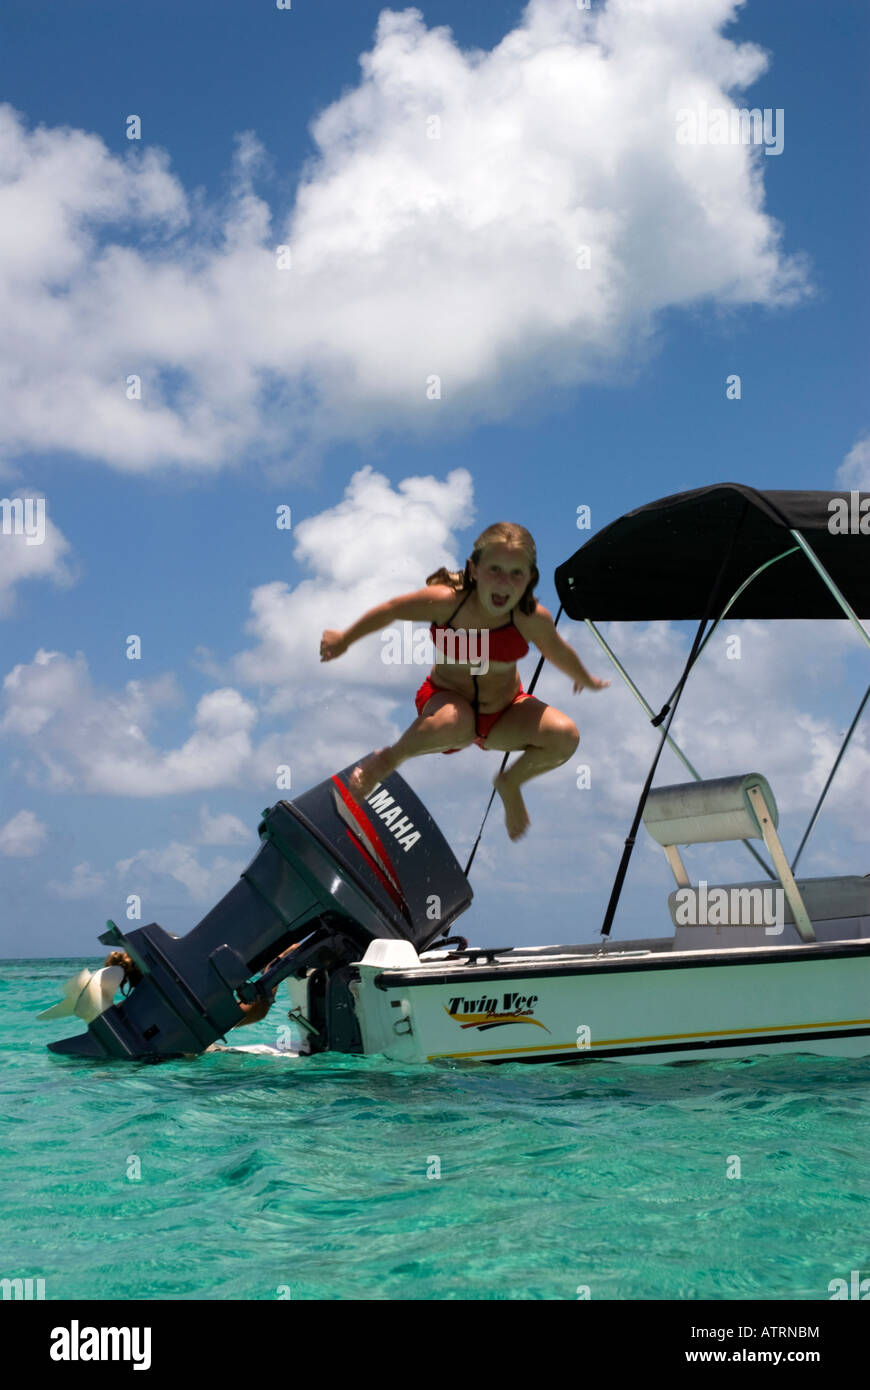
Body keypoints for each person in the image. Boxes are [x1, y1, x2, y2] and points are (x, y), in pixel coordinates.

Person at [320, 522, 609, 840]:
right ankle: (388, 759)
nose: (504, 582)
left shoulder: (529, 618)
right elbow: (390, 610)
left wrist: (584, 677)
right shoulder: (446, 602)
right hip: (446, 699)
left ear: (529, 579)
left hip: (504, 712)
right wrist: (344, 639)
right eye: (495, 569)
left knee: (566, 736)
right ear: (473, 569)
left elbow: (557, 651)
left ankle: (510, 782)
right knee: (453, 721)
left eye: (516, 573)